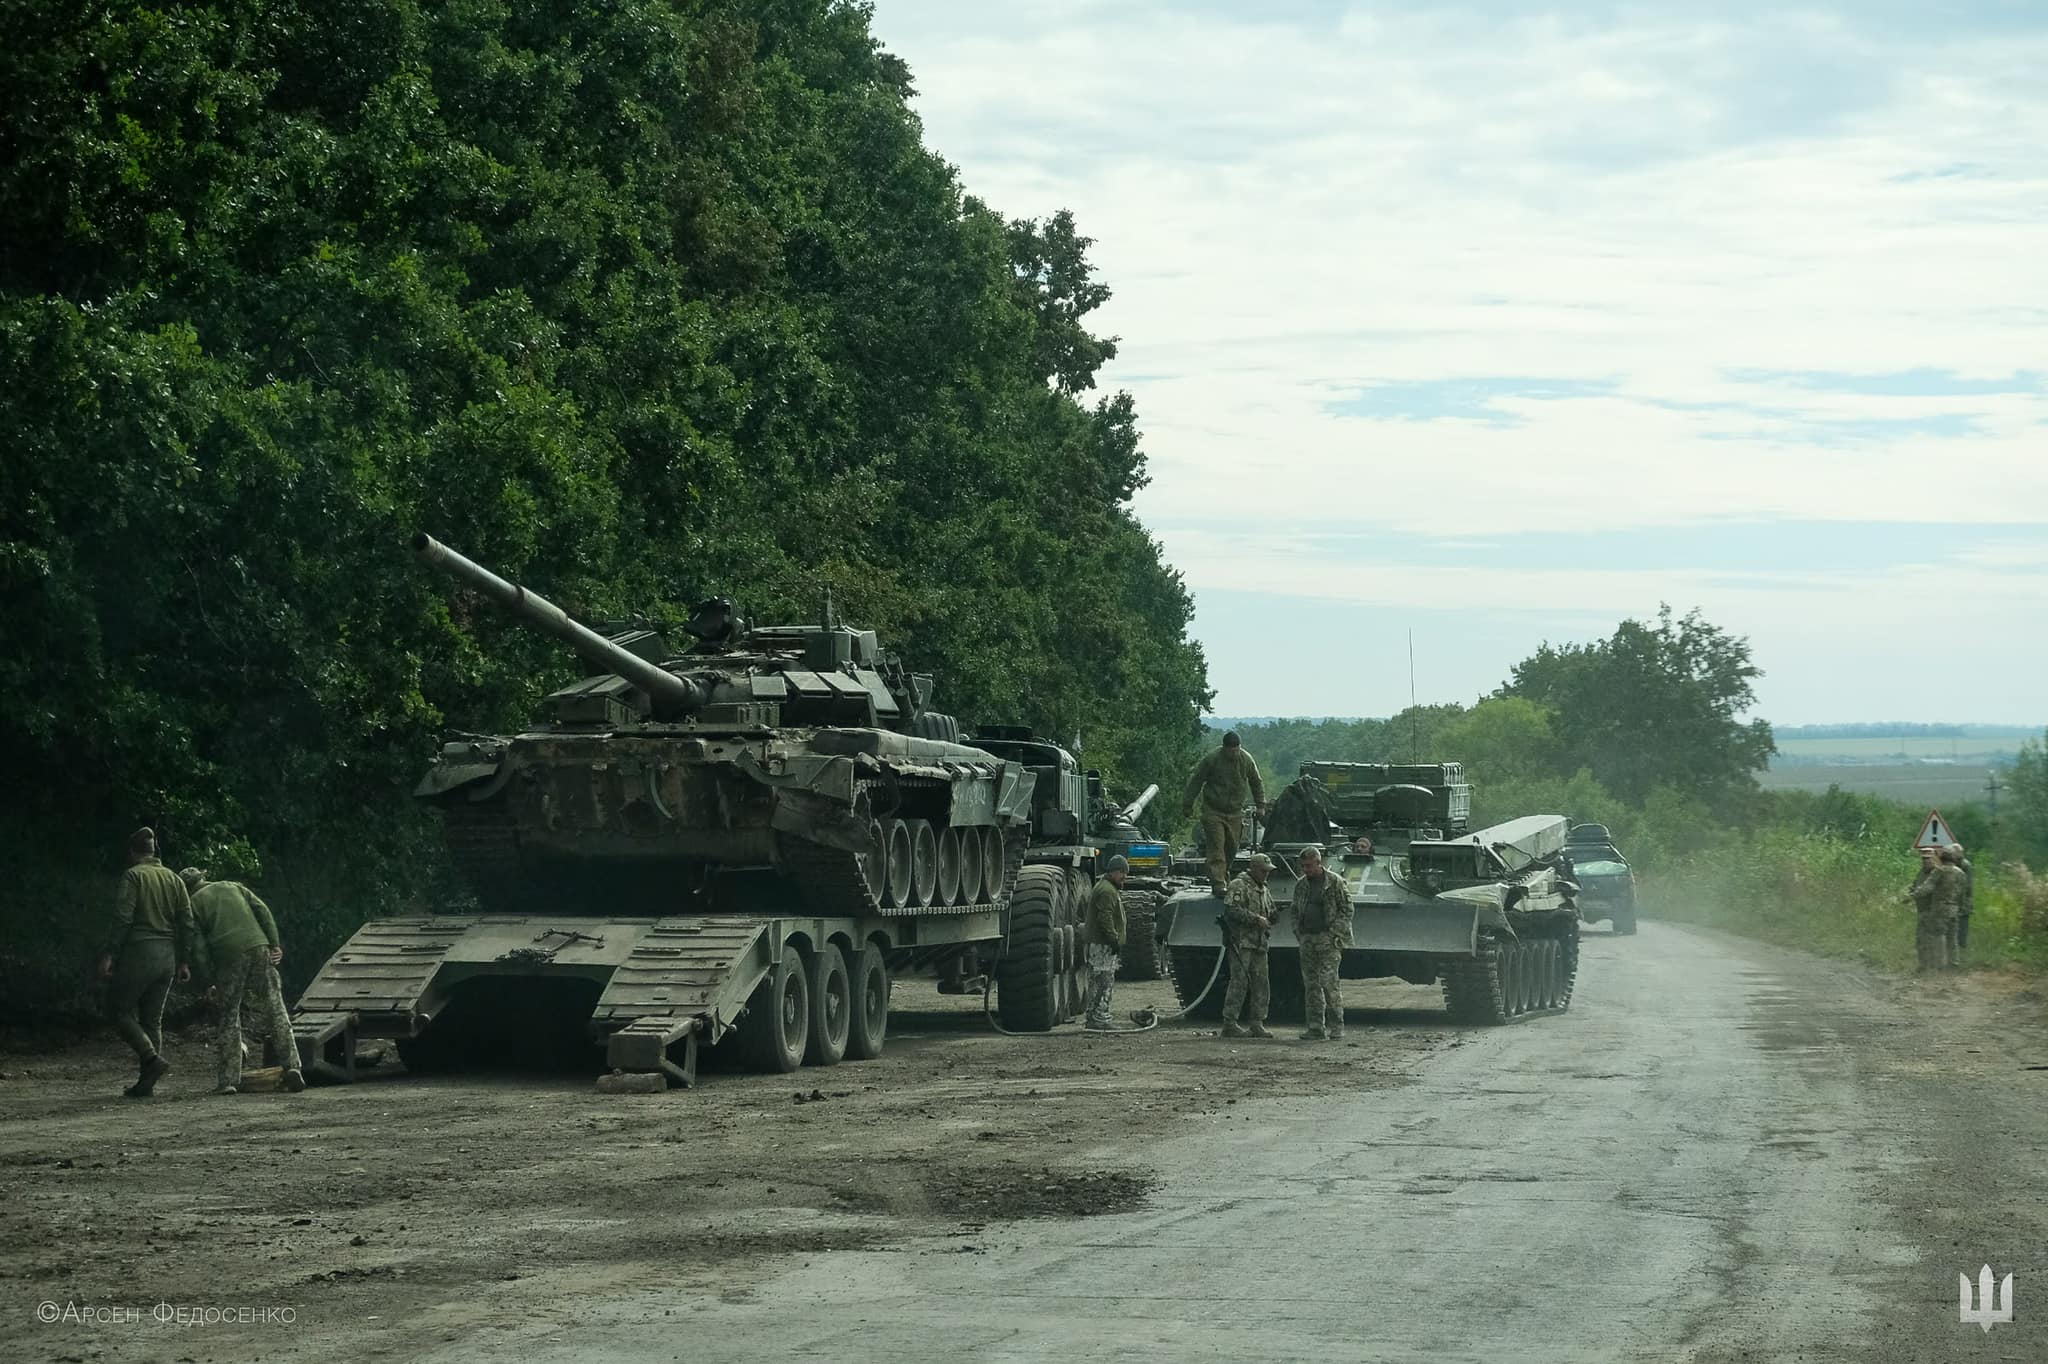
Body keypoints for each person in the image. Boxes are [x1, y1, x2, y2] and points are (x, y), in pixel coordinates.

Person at [181, 868, 304, 1094]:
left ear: (186, 888)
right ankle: (292, 1067)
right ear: (203, 878)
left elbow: (198, 949)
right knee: (275, 1007)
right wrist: (274, 943)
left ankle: (228, 1081)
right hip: (258, 946)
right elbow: (262, 910)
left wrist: (210, 980)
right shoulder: (232, 885)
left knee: (229, 1016)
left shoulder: (193, 904)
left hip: (227, 956)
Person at [99, 827, 193, 1098]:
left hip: (139, 953)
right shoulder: (174, 879)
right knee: (153, 1021)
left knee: (119, 1011)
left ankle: (151, 1059)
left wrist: (109, 953)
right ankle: (146, 1084)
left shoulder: (133, 875)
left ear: (132, 852)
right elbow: (187, 922)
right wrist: (184, 960)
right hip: (167, 958)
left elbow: (123, 917)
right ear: (154, 852)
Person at [1181, 732, 1267, 895]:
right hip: (1213, 810)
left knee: (1231, 848)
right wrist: (1188, 804)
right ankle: (1218, 883)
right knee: (1217, 845)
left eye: (1237, 750)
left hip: (1235, 812)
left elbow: (1256, 782)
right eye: (1231, 750)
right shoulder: (1212, 759)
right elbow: (1196, 780)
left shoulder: (1246, 759)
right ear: (1224, 748)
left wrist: (1261, 805)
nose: (1234, 753)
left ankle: (1223, 874)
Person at [1292, 845, 1352, 1040]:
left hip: (1328, 939)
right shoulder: (1301, 885)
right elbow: (1295, 910)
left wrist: (1335, 933)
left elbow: (1347, 910)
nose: (1306, 870)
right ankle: (1315, 1026)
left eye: (1309, 866)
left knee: (1329, 982)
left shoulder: (1334, 882)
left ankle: (1337, 1025)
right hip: (1308, 939)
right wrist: (1298, 933)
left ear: (1319, 863)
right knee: (1311, 985)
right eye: (1303, 866)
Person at [1219, 853, 1277, 1039]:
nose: (1266, 874)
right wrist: (1255, 919)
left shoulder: (1264, 888)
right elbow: (1231, 910)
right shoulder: (1239, 885)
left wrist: (1272, 916)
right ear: (1253, 869)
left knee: (1261, 983)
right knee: (1239, 982)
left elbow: (1269, 909)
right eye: (1263, 871)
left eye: (1268, 871)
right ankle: (1230, 1023)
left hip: (1259, 943)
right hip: (1241, 942)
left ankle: (1257, 1022)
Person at [1083, 855, 1127, 1030]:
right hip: (1103, 944)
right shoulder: (1107, 891)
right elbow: (1105, 919)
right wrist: (1113, 939)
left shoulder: (1105, 887)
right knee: (1104, 980)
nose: (1124, 876)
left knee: (1098, 980)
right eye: (1122, 872)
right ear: (1113, 872)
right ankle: (1100, 1018)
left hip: (1100, 943)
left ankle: (1094, 1017)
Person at [1904, 847, 1962, 973]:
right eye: (1924, 858)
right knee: (1925, 940)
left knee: (1938, 938)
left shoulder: (1938, 872)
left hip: (1935, 910)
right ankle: (1931, 965)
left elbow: (1927, 888)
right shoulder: (1923, 872)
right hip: (1939, 909)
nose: (1926, 861)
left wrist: (1911, 897)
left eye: (1928, 858)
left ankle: (1940, 966)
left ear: (1936, 858)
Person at [1947, 843, 1975, 960]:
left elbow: (1967, 887)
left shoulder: (1965, 865)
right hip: (1953, 902)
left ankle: (1961, 955)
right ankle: (1952, 955)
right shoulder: (1954, 865)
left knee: (1962, 931)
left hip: (1963, 903)